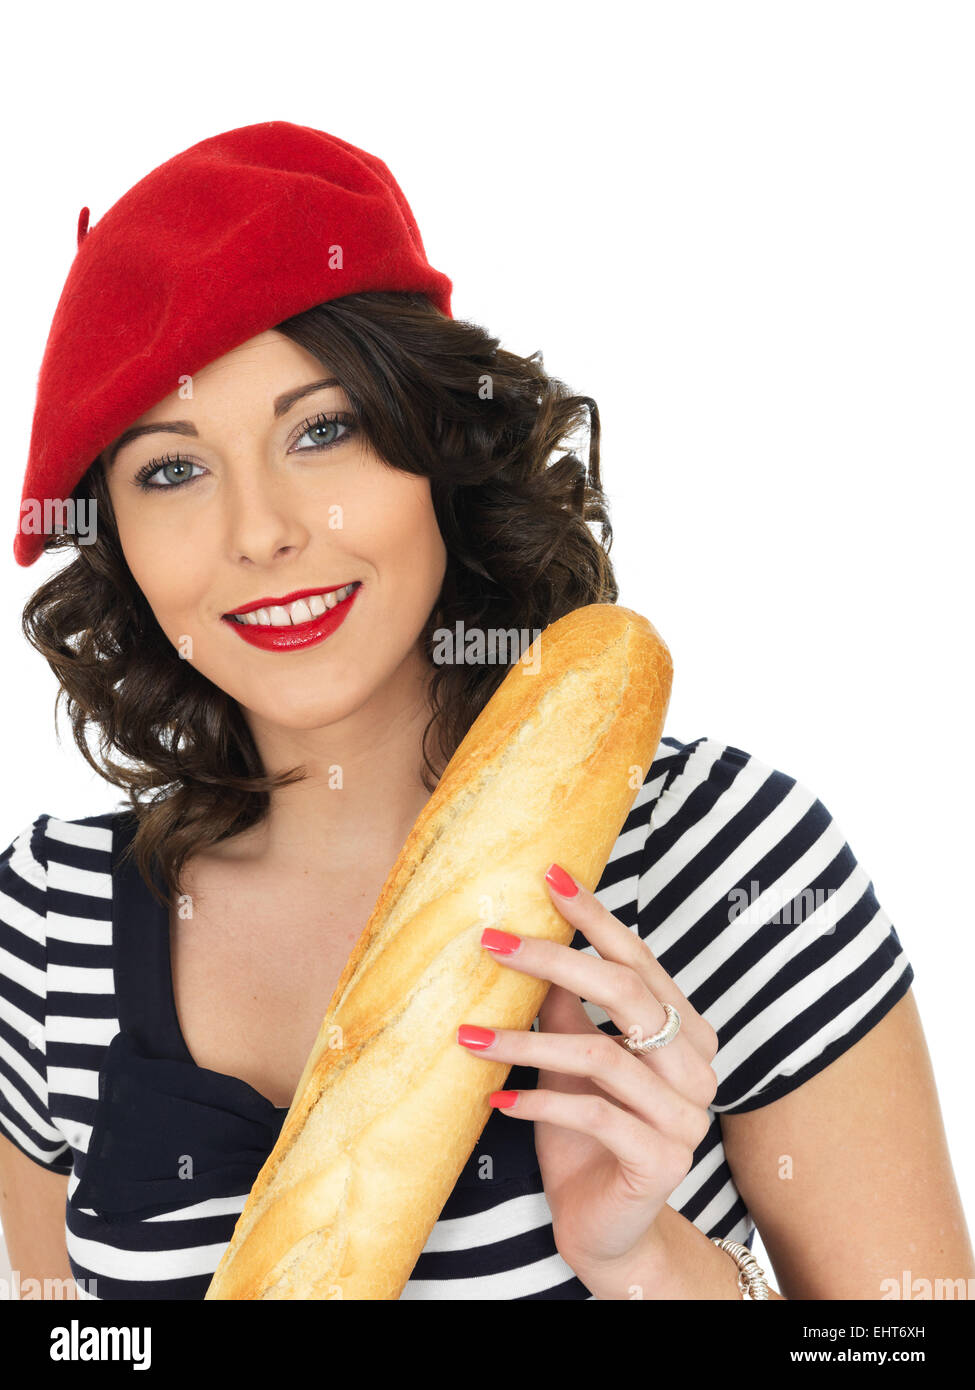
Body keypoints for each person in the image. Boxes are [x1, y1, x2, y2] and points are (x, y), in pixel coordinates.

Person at [1, 123, 971, 1302]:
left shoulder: (728, 860)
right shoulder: (47, 923)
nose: (260, 531)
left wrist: (649, 1259)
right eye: (171, 469)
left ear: (436, 446)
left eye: (323, 429)